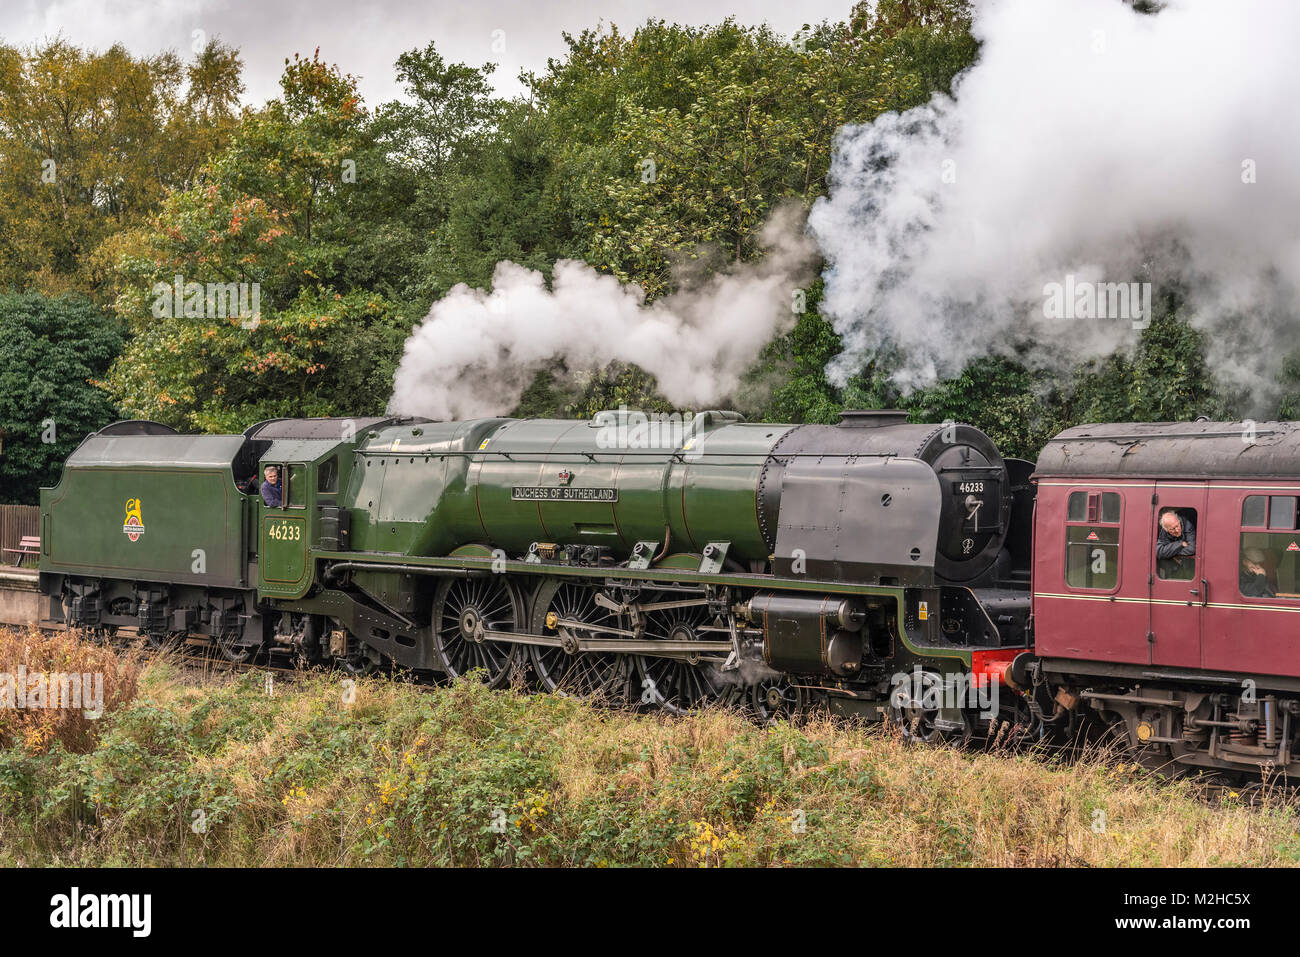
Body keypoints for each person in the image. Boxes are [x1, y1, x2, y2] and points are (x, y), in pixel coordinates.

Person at [1156, 508, 1196, 578]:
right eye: (1172, 529)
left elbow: (1192, 549)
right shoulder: (1164, 531)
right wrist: (1180, 544)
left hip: (1190, 569)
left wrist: (1170, 553)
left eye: (1177, 526)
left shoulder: (1187, 525)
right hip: (1173, 570)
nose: (1177, 530)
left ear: (1178, 521)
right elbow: (1159, 551)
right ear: (1167, 530)